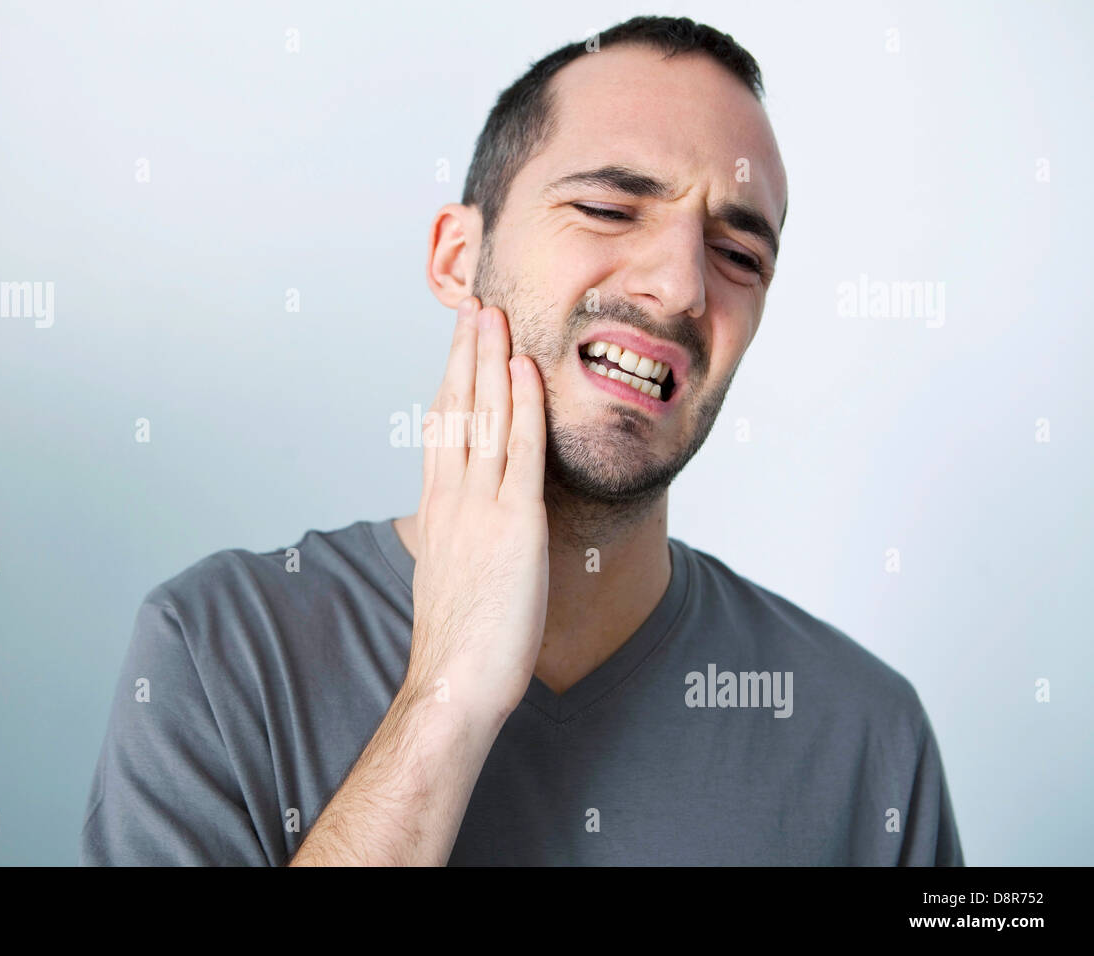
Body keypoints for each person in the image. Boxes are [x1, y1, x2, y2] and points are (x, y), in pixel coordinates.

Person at [81, 15, 964, 866]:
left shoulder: (868, 738)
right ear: (457, 260)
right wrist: (447, 696)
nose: (681, 286)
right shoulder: (216, 650)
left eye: (739, 255)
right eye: (610, 207)